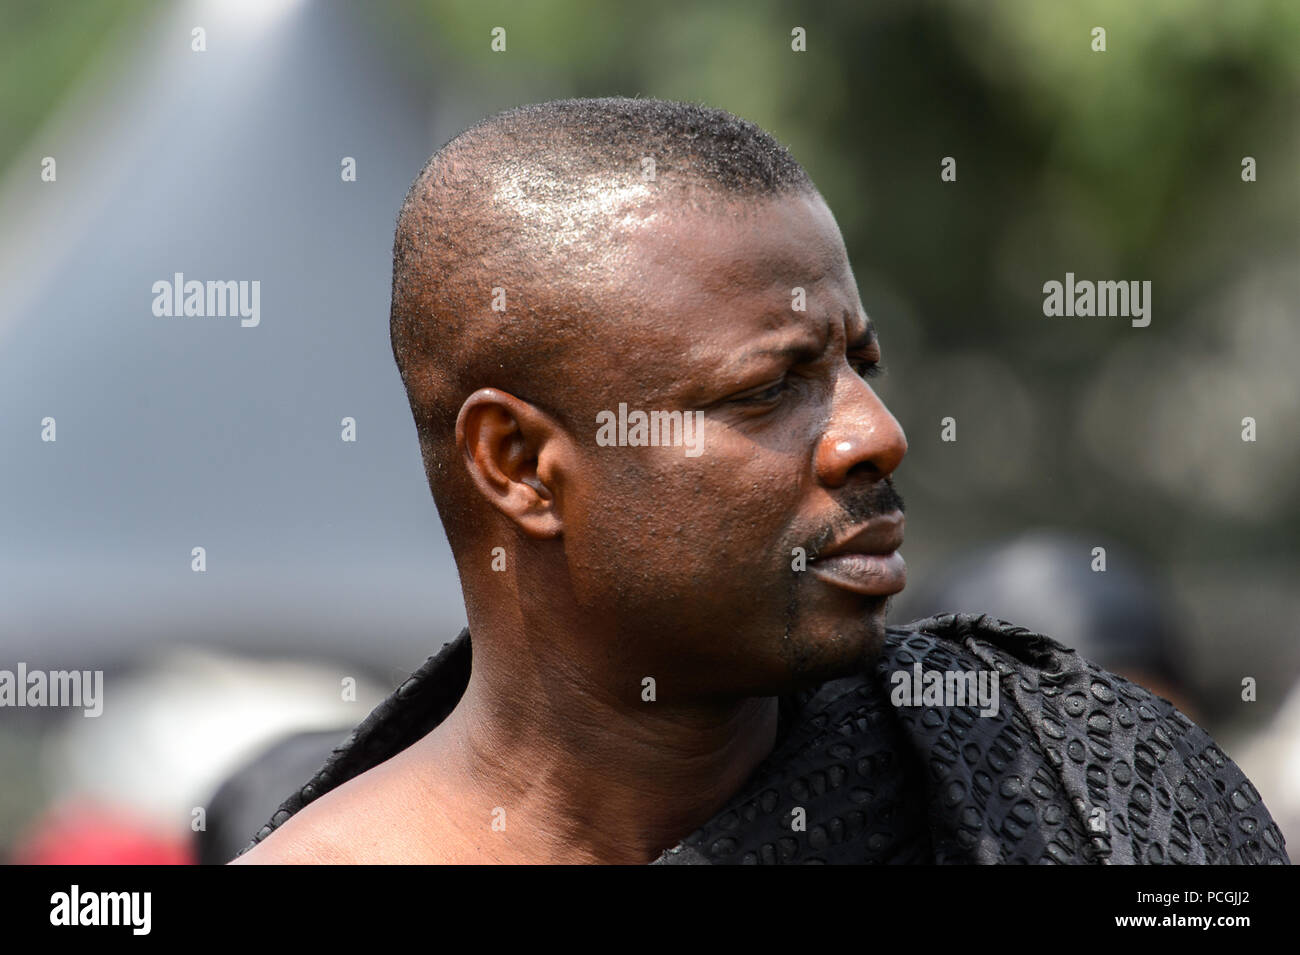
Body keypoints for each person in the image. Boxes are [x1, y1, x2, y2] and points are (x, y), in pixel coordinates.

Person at [232, 98, 1286, 864]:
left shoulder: (1071, 777)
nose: (873, 437)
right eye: (766, 389)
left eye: (857, 366)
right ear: (520, 466)